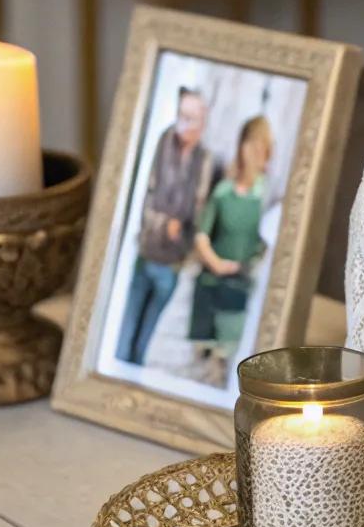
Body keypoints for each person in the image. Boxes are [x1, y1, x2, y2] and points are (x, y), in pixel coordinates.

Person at [116, 87, 214, 365]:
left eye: (192, 118)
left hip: (173, 260)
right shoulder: (163, 143)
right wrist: (163, 225)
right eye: (182, 116)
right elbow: (146, 195)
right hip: (146, 251)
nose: (185, 124)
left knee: (146, 336)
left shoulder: (203, 159)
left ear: (203, 122)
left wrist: (183, 239)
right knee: (125, 333)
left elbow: (198, 208)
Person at [189, 115, 273, 362]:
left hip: (240, 289)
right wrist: (214, 262)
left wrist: (246, 266)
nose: (254, 153)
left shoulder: (267, 195)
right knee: (200, 357)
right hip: (209, 285)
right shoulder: (223, 190)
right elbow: (202, 234)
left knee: (229, 360)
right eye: (250, 145)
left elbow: (268, 244)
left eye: (261, 146)